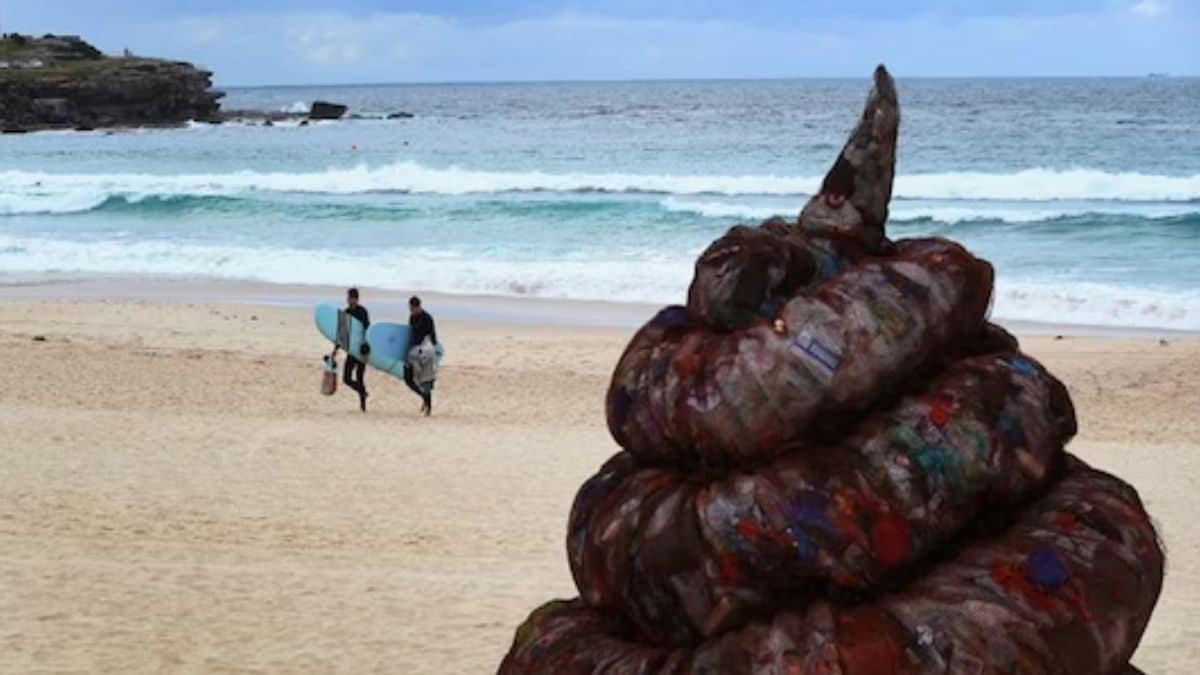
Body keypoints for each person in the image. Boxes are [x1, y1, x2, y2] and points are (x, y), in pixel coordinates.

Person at [331, 287, 369, 412]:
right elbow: (342, 334)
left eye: (350, 298)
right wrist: (335, 350)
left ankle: (363, 405)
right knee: (346, 378)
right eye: (348, 298)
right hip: (352, 350)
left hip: (362, 349)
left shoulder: (363, 311)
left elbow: (367, 330)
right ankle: (363, 392)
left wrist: (366, 345)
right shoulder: (346, 312)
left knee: (359, 377)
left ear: (356, 299)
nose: (348, 300)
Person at [405, 296, 437, 416]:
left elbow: (432, 339)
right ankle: (423, 397)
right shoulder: (412, 317)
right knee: (408, 378)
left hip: (426, 352)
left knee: (425, 381)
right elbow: (411, 334)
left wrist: (429, 353)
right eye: (410, 309)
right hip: (413, 352)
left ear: (418, 307)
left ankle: (429, 407)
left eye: (413, 309)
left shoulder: (427, 318)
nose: (411, 311)